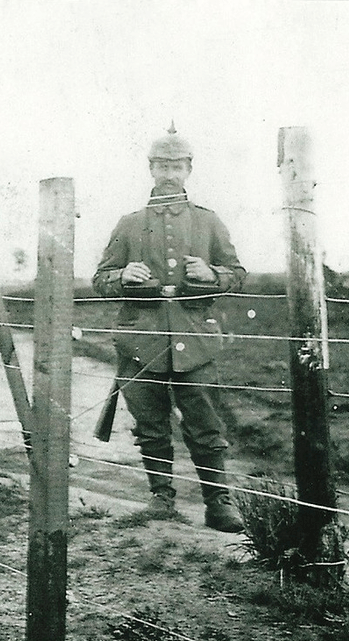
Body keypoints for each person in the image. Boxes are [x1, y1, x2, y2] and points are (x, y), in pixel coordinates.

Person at [91, 124, 247, 533]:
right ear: (150, 169)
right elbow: (100, 280)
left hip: (195, 342)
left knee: (205, 425)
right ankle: (162, 499)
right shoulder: (129, 224)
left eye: (176, 165)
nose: (168, 173)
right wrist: (123, 273)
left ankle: (218, 503)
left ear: (189, 169)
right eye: (161, 165)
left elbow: (237, 274)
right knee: (150, 425)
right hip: (141, 342)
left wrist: (212, 273)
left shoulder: (208, 222)